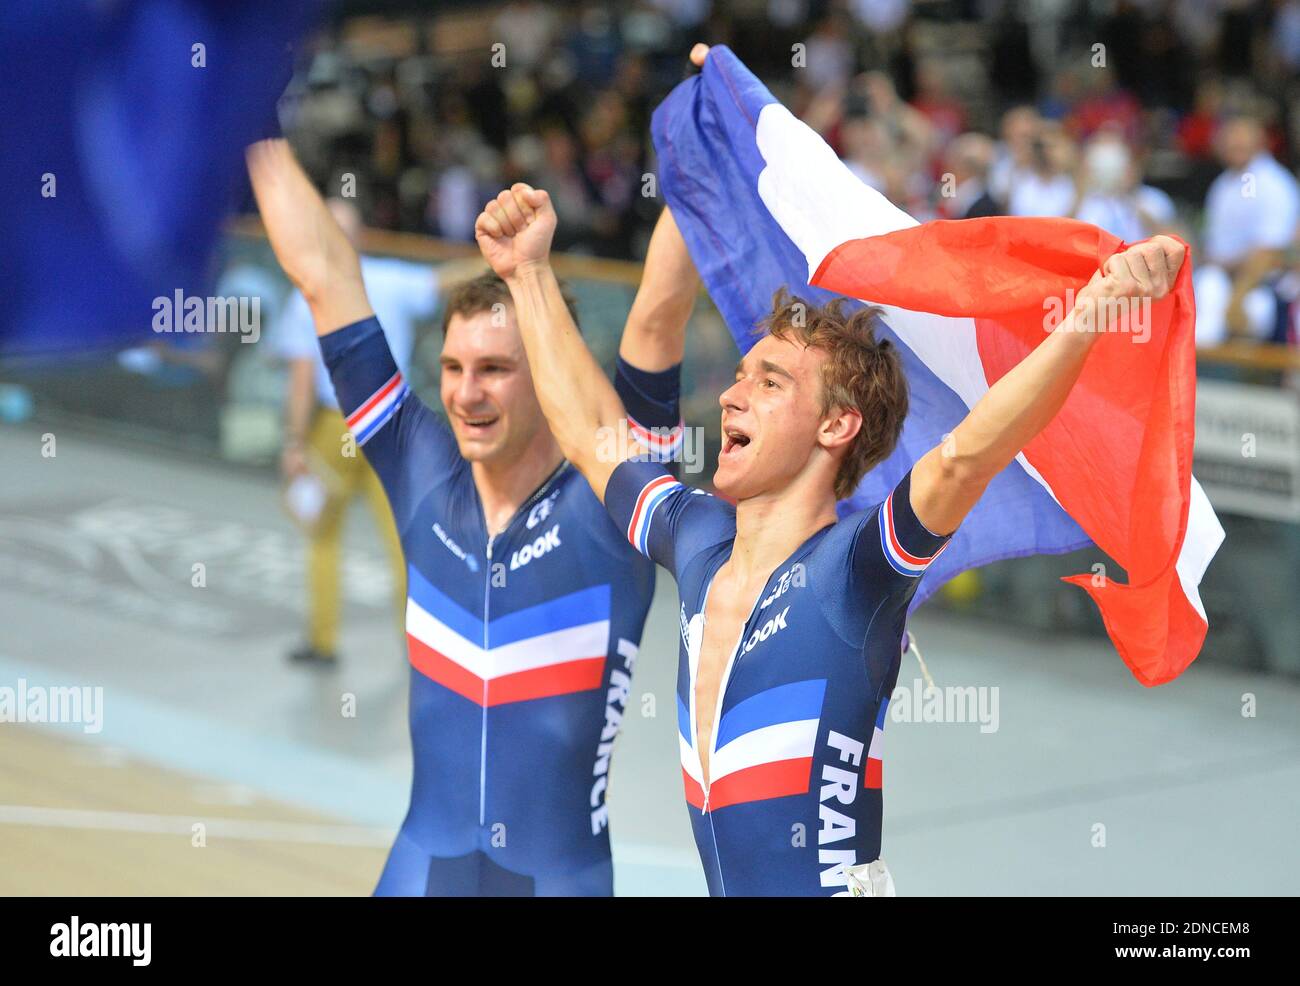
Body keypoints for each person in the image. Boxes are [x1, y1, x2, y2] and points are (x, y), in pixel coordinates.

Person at [472, 51, 1186, 895]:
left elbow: (964, 455)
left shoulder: (858, 571)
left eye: (770, 383)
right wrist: (526, 275)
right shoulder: (698, 537)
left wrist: (1090, 316)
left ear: (838, 426)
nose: (733, 397)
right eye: (742, 377)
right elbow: (595, 438)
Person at [246, 137, 697, 896]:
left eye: (494, 369)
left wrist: (697, 146)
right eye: (453, 368)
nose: (464, 393)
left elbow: (656, 317)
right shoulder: (420, 470)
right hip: (425, 866)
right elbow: (323, 275)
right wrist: (247, 117)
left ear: (547, 378)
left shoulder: (614, 496)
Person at [273, 197, 439, 667]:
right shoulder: (387, 279)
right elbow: (441, 283)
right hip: (389, 423)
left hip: (335, 425)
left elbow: (302, 377)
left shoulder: (306, 293)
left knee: (323, 533)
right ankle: (421, 655)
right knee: (402, 541)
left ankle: (322, 642)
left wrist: (293, 443)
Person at [1194, 114, 1300, 347]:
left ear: (1259, 141)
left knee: (1245, 307)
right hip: (1220, 279)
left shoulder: (1273, 183)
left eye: (1242, 139)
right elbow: (1212, 246)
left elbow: (1272, 250)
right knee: (1207, 287)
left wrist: (1238, 297)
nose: (1235, 145)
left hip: (1263, 287)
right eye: (1230, 139)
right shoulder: (1222, 184)